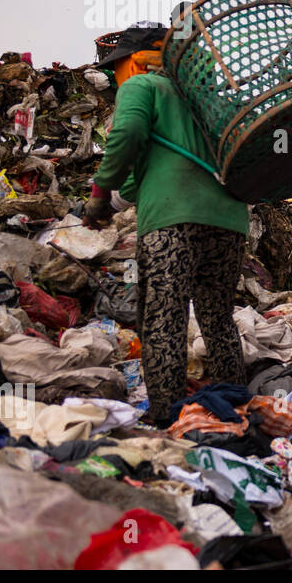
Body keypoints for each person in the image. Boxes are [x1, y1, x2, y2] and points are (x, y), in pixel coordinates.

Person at [82, 22, 250, 428]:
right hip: (229, 223)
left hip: (172, 223)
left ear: (137, 61)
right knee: (218, 317)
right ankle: (238, 405)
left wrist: (100, 194)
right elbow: (163, 162)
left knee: (163, 319)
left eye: (117, 67)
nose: (115, 75)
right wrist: (122, 195)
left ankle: (168, 417)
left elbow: (129, 132)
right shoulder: (210, 103)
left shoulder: (142, 87)